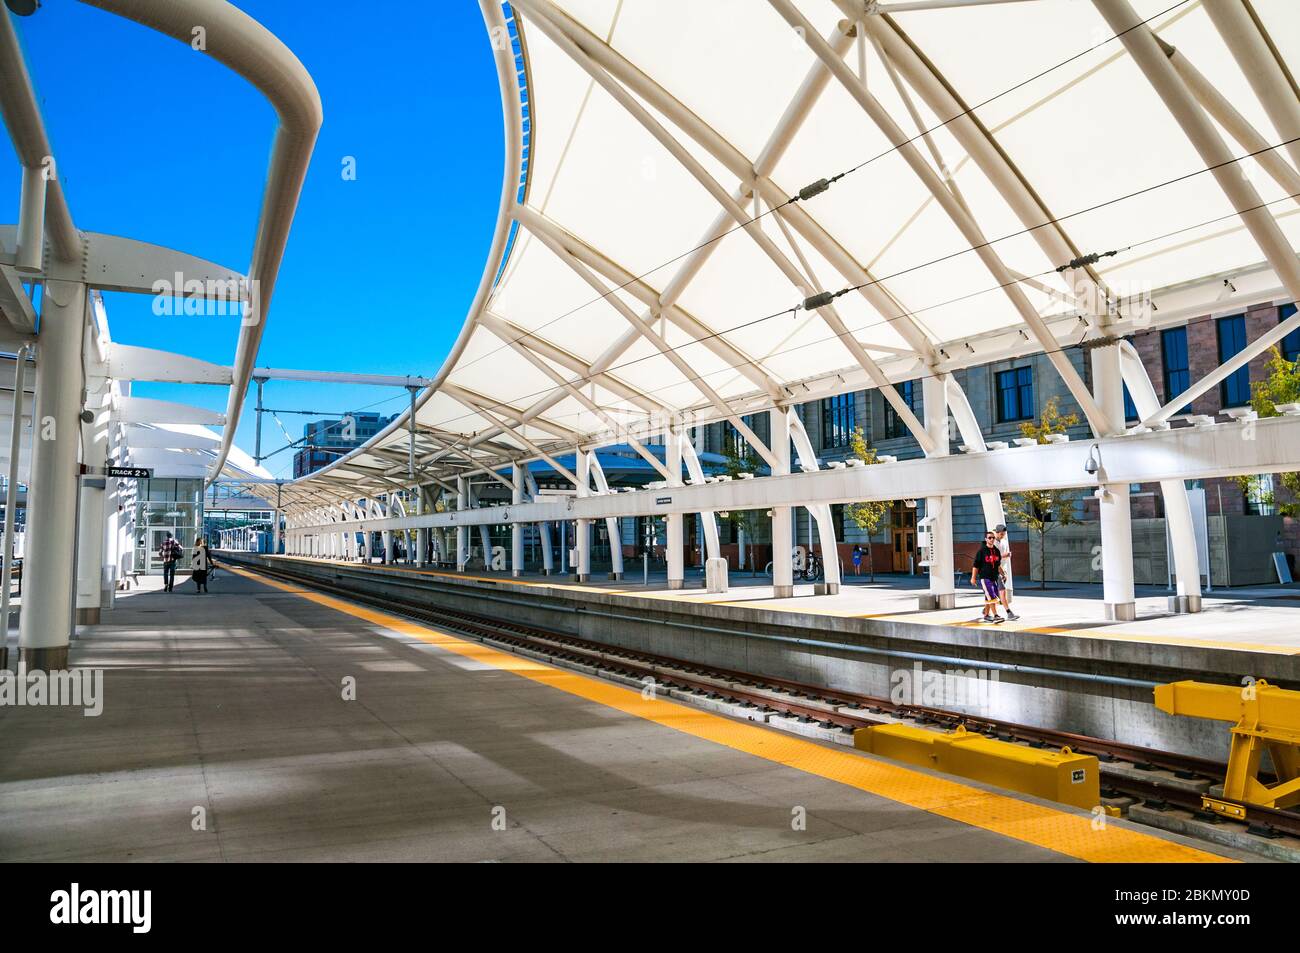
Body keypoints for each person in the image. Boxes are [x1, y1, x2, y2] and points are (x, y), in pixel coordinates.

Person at [970, 531, 1005, 623]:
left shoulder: (996, 551)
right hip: (985, 578)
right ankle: (996, 616)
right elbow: (975, 565)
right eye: (989, 538)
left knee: (988, 596)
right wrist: (973, 578)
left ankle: (986, 615)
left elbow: (998, 565)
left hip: (994, 578)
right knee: (992, 596)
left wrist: (1003, 574)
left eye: (993, 538)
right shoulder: (981, 551)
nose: (992, 539)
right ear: (986, 539)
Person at [993, 523, 1019, 621]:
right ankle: (1009, 613)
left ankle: (986, 610)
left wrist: (1005, 571)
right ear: (997, 533)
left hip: (1002, 570)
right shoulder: (994, 543)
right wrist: (1005, 555)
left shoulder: (1004, 542)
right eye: (1001, 534)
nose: (1003, 535)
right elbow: (995, 558)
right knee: (1002, 592)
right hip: (995, 570)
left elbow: (1004, 557)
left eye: (1004, 534)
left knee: (995, 593)